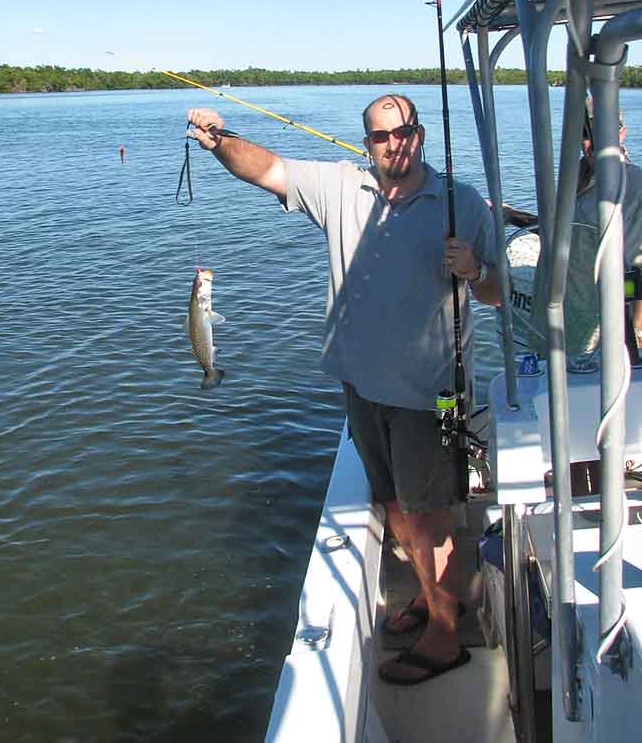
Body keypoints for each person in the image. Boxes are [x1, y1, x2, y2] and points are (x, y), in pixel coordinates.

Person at [187, 94, 501, 685]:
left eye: (403, 131)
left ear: (421, 134)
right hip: (362, 386)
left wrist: (476, 272)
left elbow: (500, 292)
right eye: (380, 136)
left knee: (429, 515)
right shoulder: (339, 188)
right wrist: (219, 140)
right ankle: (441, 598)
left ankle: (444, 634)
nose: (393, 144)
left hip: (428, 391)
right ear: (367, 144)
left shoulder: (462, 203)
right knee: (391, 506)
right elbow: (269, 168)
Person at [499, 109, 642, 358]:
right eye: (586, 134)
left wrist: (638, 336)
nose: (594, 142)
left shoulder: (632, 189)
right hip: (552, 333)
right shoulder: (575, 180)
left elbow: (639, 272)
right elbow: (561, 231)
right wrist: (512, 215)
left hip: (596, 349)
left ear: (621, 132)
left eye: (603, 132)